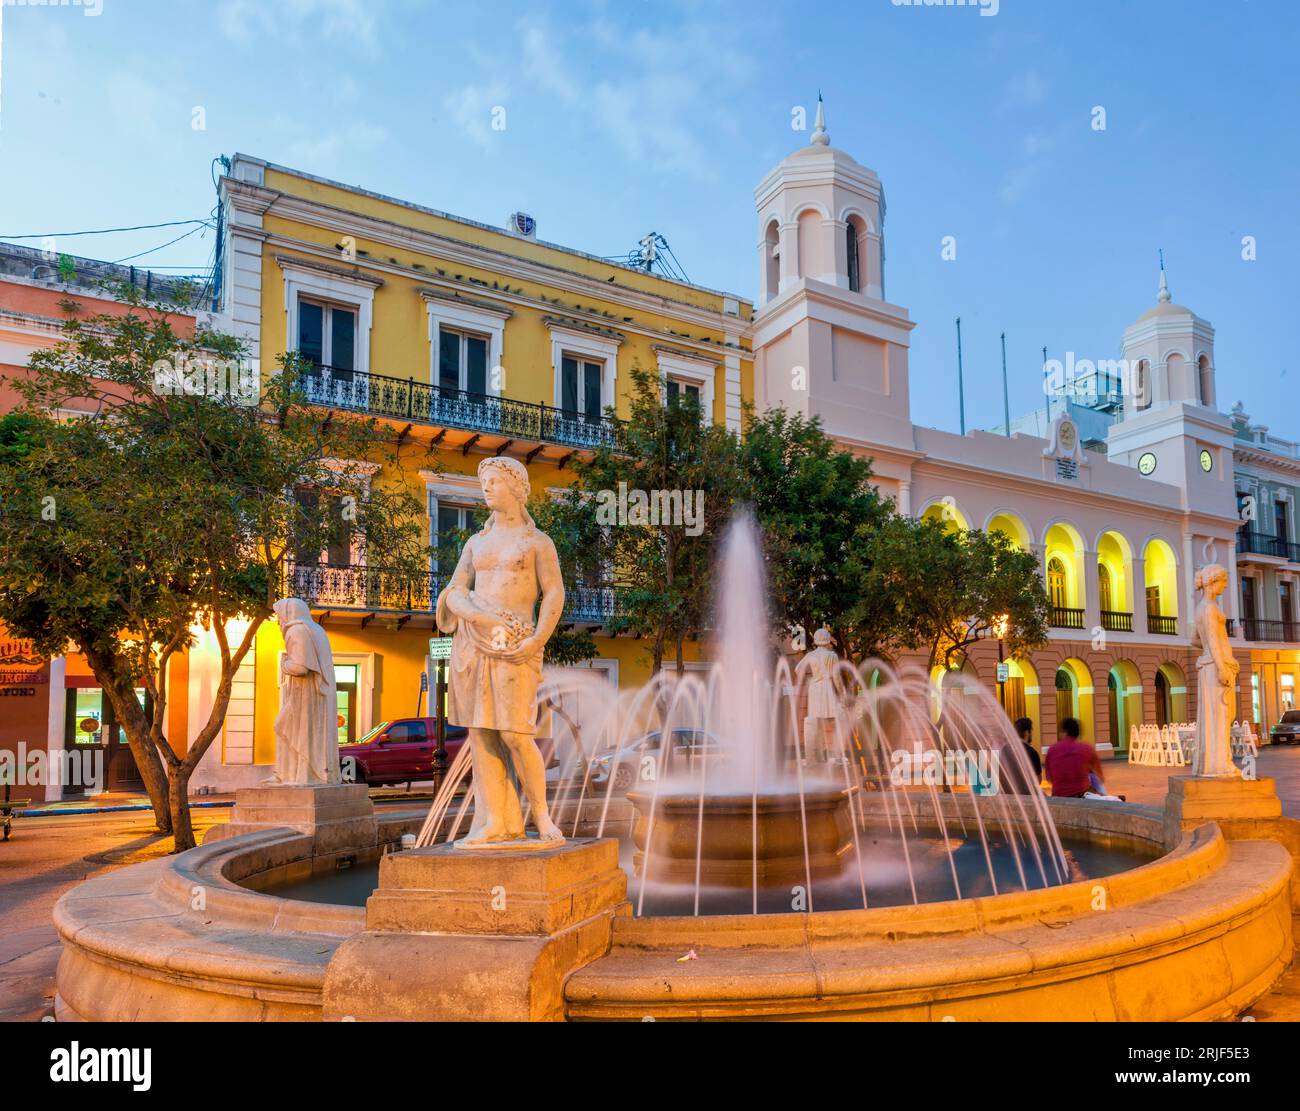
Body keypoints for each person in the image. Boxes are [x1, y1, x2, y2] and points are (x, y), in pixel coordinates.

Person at [1043, 717, 1104, 799]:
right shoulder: (1087, 749)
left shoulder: (1052, 750)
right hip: (1081, 797)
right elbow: (1100, 777)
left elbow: (1049, 778)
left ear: (1064, 732)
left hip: (1058, 796)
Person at [1000, 716, 1042, 794]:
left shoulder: (1005, 749)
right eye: (1031, 731)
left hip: (1008, 795)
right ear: (1027, 733)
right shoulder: (1032, 752)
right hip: (1026, 796)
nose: (1032, 734)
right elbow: (1038, 781)